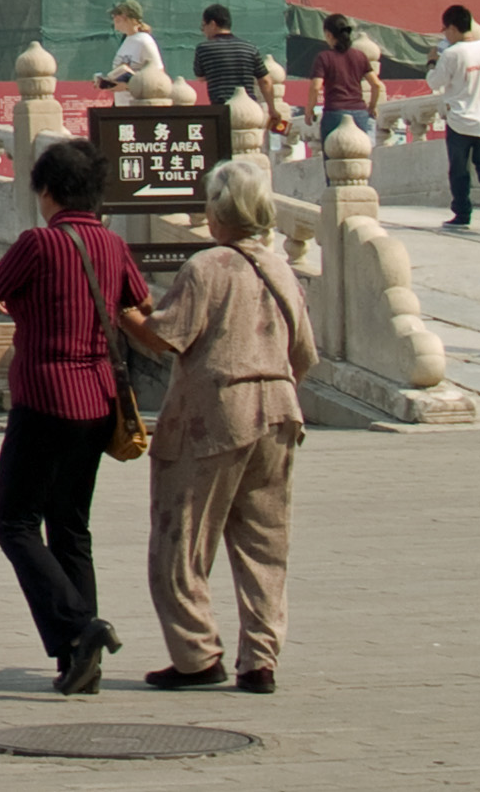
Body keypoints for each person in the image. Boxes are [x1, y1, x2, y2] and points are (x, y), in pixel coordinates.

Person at [0, 138, 153, 695]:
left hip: (46, 396)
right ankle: (78, 658)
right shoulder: (112, 246)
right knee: (71, 527)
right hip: (98, 400)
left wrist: (4, 299)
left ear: (47, 192)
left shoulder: (39, 243)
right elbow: (136, 311)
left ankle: (79, 627)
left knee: (15, 523)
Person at [120, 161, 315, 694]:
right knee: (265, 545)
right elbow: (305, 354)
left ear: (219, 211)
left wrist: (120, 311)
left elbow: (165, 337)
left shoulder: (207, 267)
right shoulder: (281, 270)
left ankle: (196, 653)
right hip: (279, 408)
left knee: (180, 538)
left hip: (214, 411)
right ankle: (261, 659)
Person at [428, 5, 480, 230]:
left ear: (452, 28)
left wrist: (431, 62)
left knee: (459, 171)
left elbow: (434, 83)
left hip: (460, 121)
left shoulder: (451, 53)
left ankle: (462, 213)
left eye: (445, 30)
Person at [190, 6, 286, 124]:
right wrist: (272, 109)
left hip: (221, 110)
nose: (203, 31)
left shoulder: (203, 49)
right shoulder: (249, 48)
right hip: (250, 110)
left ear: (213, 24)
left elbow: (200, 77)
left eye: (203, 26)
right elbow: (265, 80)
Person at [306, 13, 385, 149]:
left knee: (333, 160)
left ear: (329, 34)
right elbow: (376, 85)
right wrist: (371, 107)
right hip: (359, 114)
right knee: (359, 155)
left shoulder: (324, 58)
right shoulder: (360, 56)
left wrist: (309, 110)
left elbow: (316, 87)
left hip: (335, 113)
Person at [99, 0, 162, 103]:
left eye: (118, 15)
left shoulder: (145, 41)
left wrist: (128, 87)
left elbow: (158, 77)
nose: (114, 19)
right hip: (122, 105)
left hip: (138, 107)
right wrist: (107, 82)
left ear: (128, 18)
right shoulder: (126, 40)